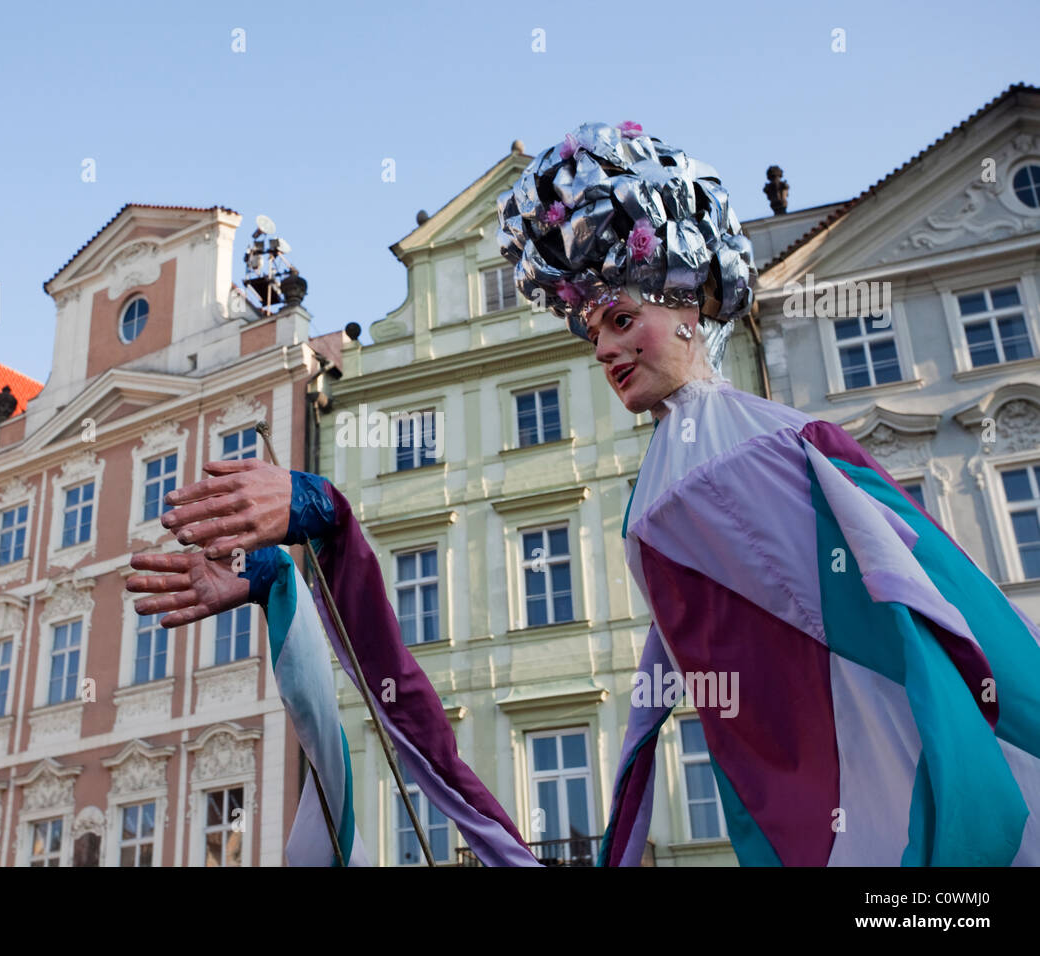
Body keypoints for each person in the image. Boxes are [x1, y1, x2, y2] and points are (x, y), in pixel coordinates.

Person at [130, 122, 1040, 866]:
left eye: (617, 318)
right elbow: (441, 755)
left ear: (689, 306)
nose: (602, 349)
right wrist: (304, 557)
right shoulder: (683, 478)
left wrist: (321, 523)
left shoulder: (749, 458)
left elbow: (934, 632)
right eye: (586, 329)